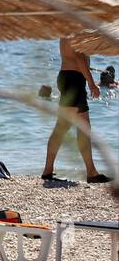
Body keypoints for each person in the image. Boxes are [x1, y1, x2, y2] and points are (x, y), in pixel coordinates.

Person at [42, 38, 108, 185]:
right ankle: (49, 171)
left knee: (80, 127)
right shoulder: (75, 31)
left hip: (70, 78)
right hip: (74, 80)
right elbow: (78, 56)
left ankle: (90, 172)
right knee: (66, 127)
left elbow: (76, 56)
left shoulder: (68, 29)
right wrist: (91, 84)